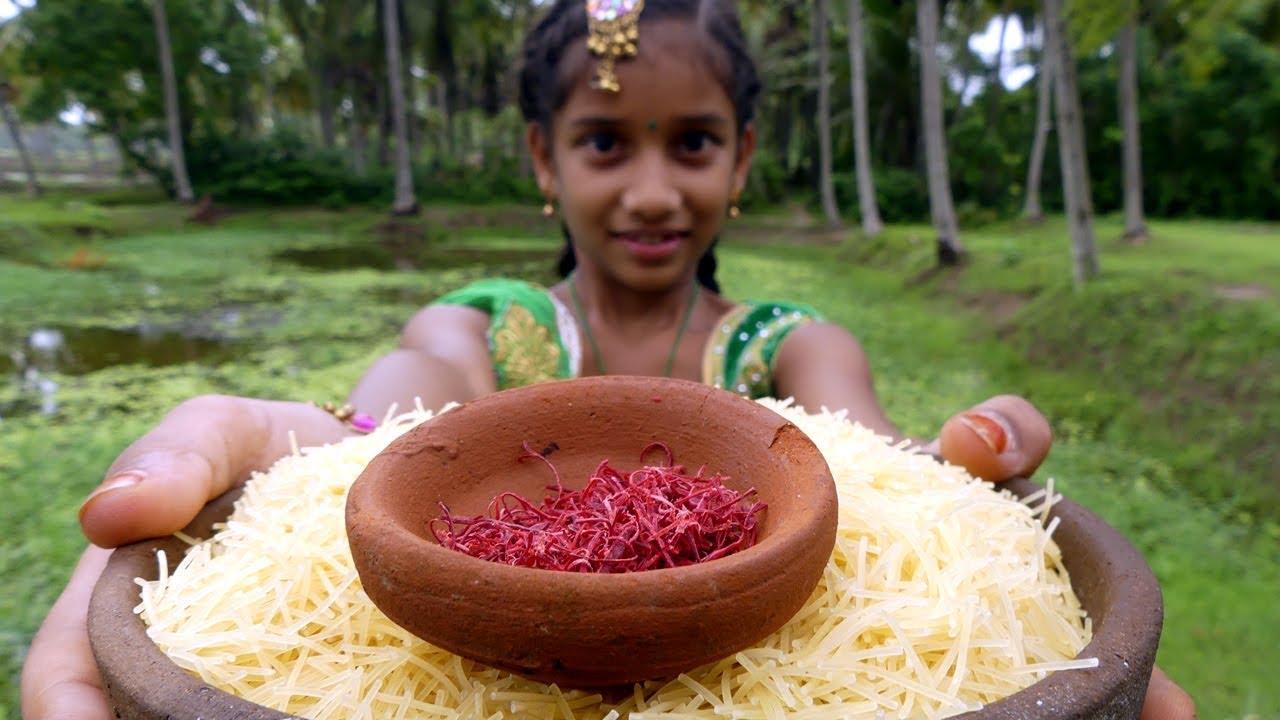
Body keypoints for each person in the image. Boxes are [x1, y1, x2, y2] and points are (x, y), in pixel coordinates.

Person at [21, 1, 1194, 718]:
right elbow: (400, 410)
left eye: (689, 143)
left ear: (740, 162)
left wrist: (962, 481)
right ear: (542, 159)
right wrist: (316, 445)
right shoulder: (485, 325)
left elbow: (877, 467)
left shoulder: (793, 346)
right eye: (601, 143)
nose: (648, 190)